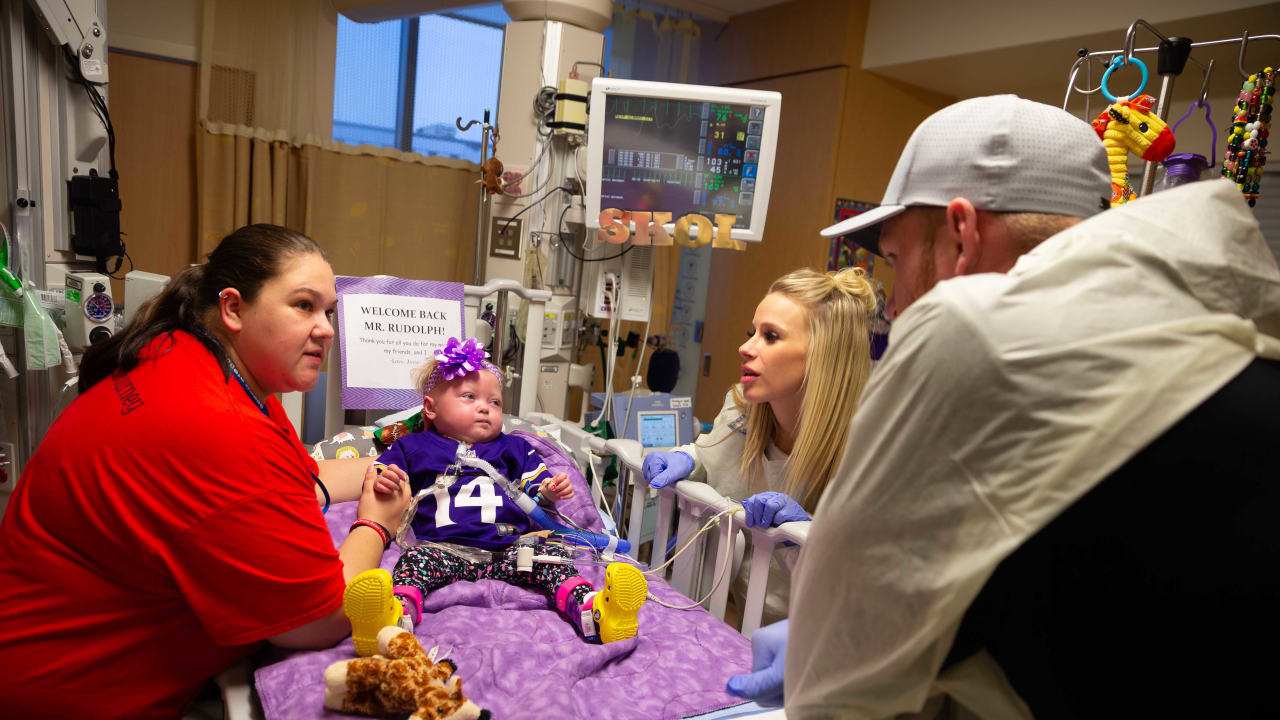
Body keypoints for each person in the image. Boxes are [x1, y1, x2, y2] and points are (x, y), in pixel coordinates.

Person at [729, 95, 1280, 718]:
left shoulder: (965, 332)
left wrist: (818, 646)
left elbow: (836, 689)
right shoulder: (1222, 339)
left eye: (896, 260)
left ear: (962, 235)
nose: (897, 305)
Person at [0, 224, 412, 719]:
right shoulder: (218, 424)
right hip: (69, 692)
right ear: (233, 308)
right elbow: (318, 620)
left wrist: (411, 464)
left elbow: (299, 477)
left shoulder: (192, 361)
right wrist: (376, 523)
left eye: (328, 312)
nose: (325, 328)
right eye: (304, 305)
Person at [342, 337, 649, 655]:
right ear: (431, 408)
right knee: (412, 563)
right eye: (469, 396)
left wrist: (549, 490)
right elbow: (380, 471)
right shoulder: (413, 446)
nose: (484, 407)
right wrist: (388, 479)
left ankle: (593, 611)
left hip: (510, 551)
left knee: (552, 560)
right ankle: (392, 620)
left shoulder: (514, 447)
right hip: (443, 550)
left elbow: (536, 487)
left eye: (495, 402)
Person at [641, 266, 878, 620]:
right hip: (744, 624)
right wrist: (686, 458)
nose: (745, 347)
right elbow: (714, 457)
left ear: (823, 356)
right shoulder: (741, 410)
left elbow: (876, 575)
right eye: (751, 332)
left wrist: (811, 532)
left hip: (820, 637)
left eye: (771, 336)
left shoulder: (868, 452)